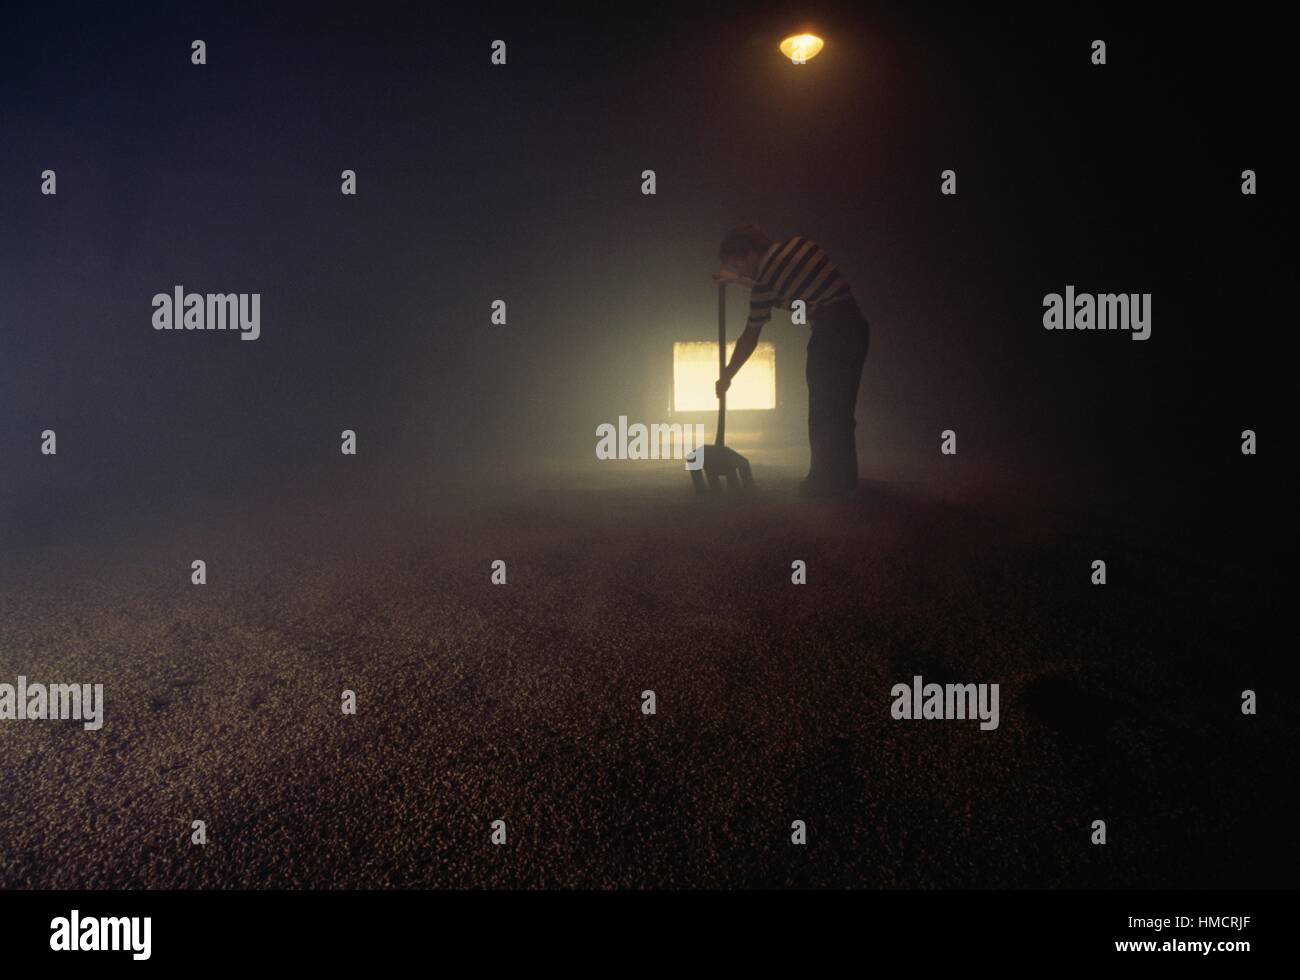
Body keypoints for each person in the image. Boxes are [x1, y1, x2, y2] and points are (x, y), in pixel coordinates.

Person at [714, 224, 870, 497]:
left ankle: (823, 483)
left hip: (830, 334)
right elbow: (777, 286)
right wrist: (737, 281)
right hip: (855, 327)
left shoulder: (764, 284)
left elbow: (750, 337)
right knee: (840, 413)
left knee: (822, 413)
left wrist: (727, 374)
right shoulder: (800, 245)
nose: (741, 272)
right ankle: (844, 481)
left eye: (737, 266)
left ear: (748, 253)